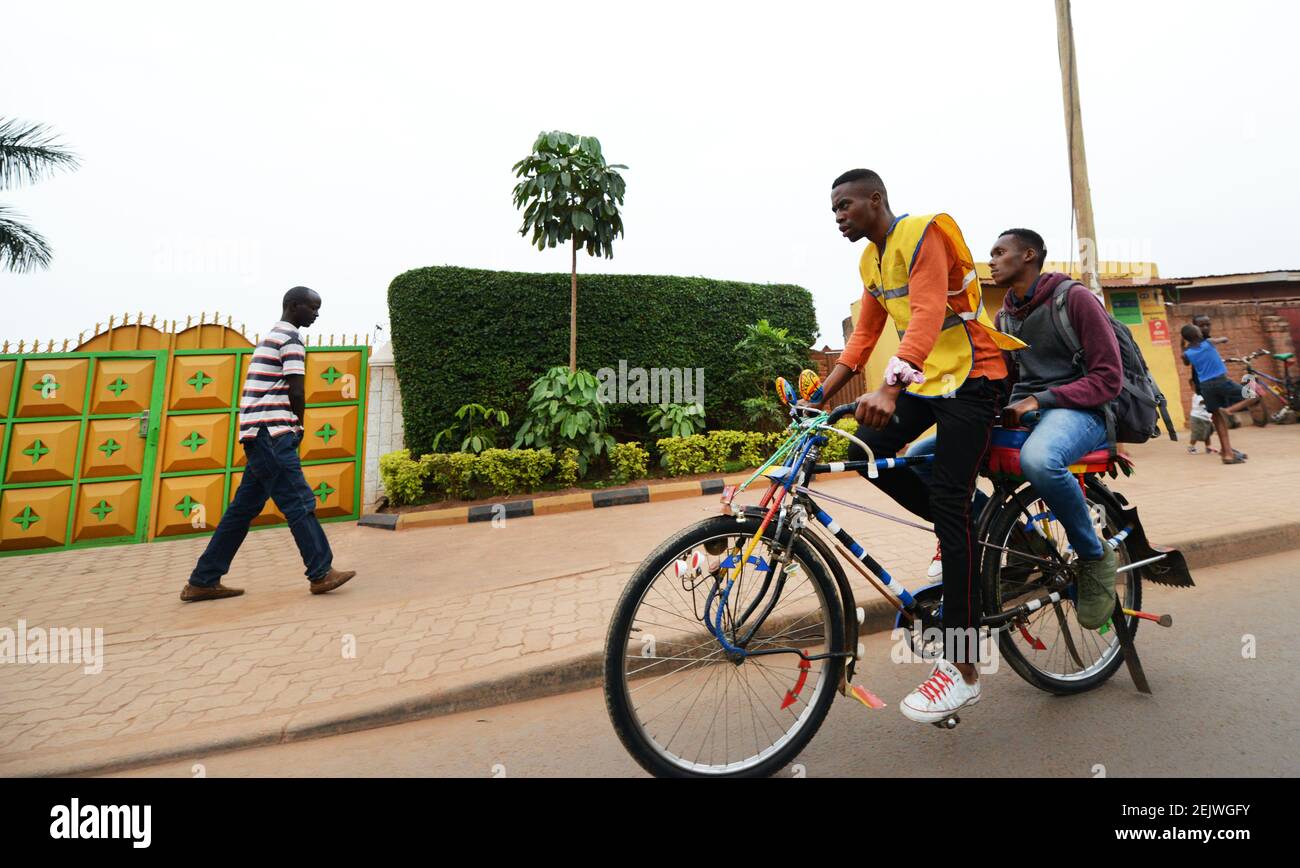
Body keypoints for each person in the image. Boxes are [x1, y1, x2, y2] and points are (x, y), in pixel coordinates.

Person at [813, 169, 1023, 725]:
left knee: (950, 508)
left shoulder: (923, 232)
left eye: (845, 205)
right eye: (833, 209)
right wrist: (821, 394)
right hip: (928, 380)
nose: (838, 215)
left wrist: (889, 385)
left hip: (974, 378)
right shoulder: (871, 261)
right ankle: (965, 524)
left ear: (875, 199)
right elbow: (863, 334)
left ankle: (964, 668)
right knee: (863, 450)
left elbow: (928, 311)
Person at [180, 286, 357, 602]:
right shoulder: (290, 341)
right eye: (312, 307)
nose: (317, 314)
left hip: (256, 435)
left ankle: (203, 580)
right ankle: (321, 573)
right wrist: (299, 426)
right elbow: (297, 392)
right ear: (293, 306)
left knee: (241, 510)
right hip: (273, 435)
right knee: (299, 502)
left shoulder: (269, 337)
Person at [990, 228, 1124, 630]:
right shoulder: (1005, 315)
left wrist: (1040, 400)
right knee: (924, 457)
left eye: (1000, 252)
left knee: (1040, 460)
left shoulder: (1075, 298)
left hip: (1082, 412)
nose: (992, 260)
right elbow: (1007, 382)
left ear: (1028, 255)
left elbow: (1108, 379)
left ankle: (1093, 553)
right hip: (1029, 410)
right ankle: (1023, 539)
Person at [1180, 324, 1247, 465]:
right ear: (1198, 333)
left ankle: (1228, 455)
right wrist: (1224, 338)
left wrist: (1183, 343)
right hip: (1221, 381)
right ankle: (1229, 410)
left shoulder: (1186, 353)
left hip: (1206, 387)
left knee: (1217, 418)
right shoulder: (1208, 343)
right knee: (1254, 394)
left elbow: (1185, 360)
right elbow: (1222, 339)